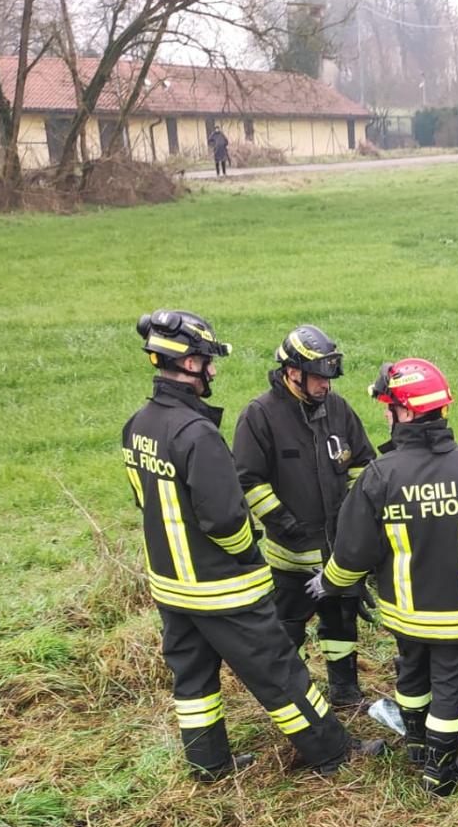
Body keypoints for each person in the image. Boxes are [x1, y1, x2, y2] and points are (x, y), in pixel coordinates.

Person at [121, 309, 380, 780]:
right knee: (281, 673)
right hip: (221, 587)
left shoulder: (138, 425)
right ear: (188, 362)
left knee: (194, 680)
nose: (213, 371)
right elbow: (226, 519)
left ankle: (209, 764)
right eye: (207, 361)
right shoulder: (197, 433)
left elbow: (144, 499)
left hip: (171, 585)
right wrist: (249, 554)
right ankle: (333, 753)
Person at [314, 359, 458, 797]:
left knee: (412, 677)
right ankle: (440, 776)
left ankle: (417, 747)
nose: (386, 415)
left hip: (405, 615)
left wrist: (329, 583)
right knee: (449, 694)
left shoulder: (379, 477)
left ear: (405, 412)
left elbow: (353, 552)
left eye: (389, 408)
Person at [233, 324, 375, 706]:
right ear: (293, 372)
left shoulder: (338, 409)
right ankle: (296, 699)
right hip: (291, 559)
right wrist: (287, 525)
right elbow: (248, 481)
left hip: (337, 553)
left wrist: (353, 517)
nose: (325, 385)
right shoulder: (260, 416)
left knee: (341, 624)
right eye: (318, 377)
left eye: (329, 377)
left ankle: (344, 691)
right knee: (288, 630)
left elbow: (363, 463)